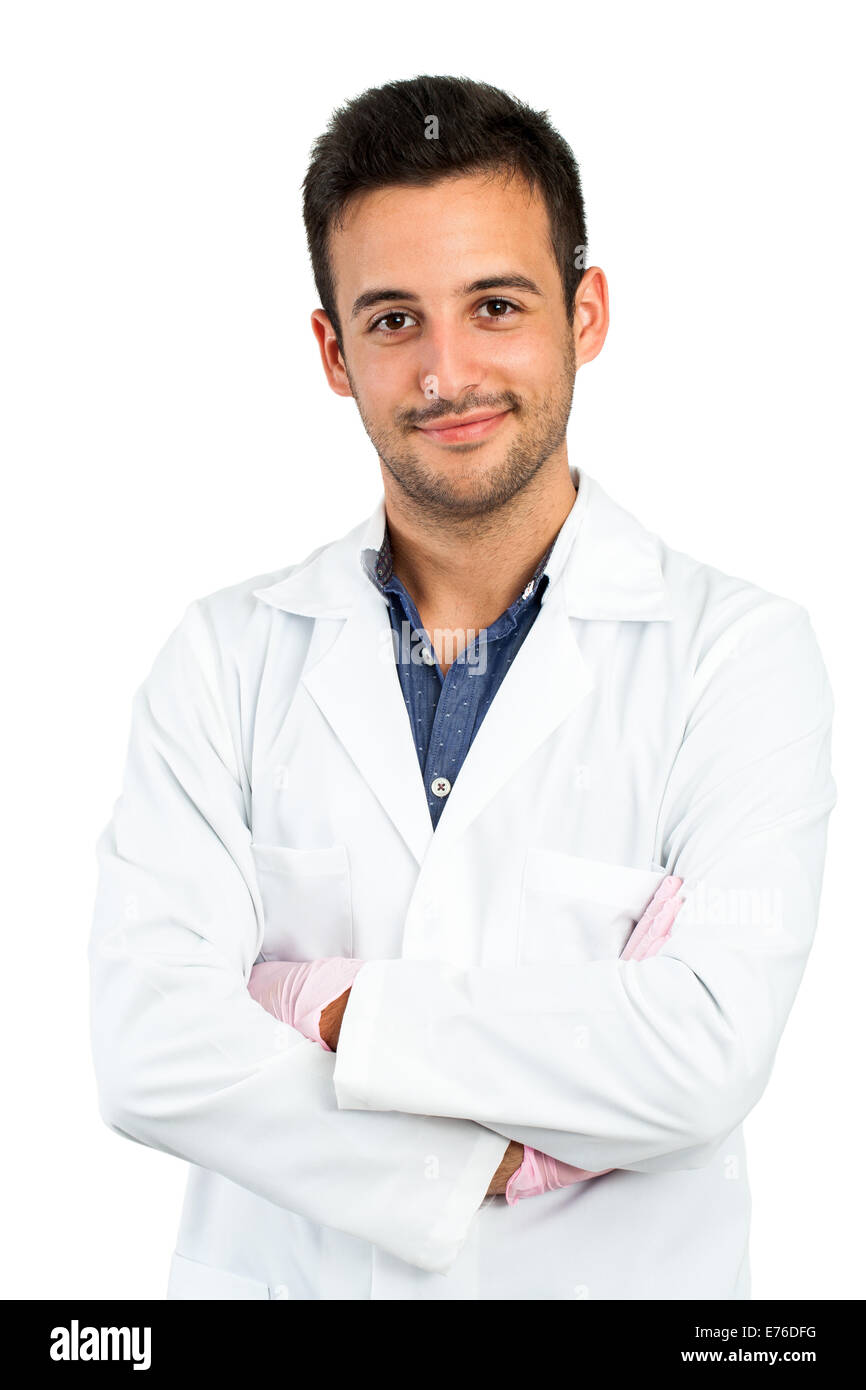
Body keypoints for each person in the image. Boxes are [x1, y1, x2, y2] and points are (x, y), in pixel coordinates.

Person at [88, 75, 836, 1301]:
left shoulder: (737, 655)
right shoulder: (221, 658)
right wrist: (483, 1157)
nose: (446, 372)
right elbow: (147, 1050)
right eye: (392, 320)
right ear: (333, 352)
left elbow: (700, 1053)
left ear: (583, 313)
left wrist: (322, 1004)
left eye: (495, 304)